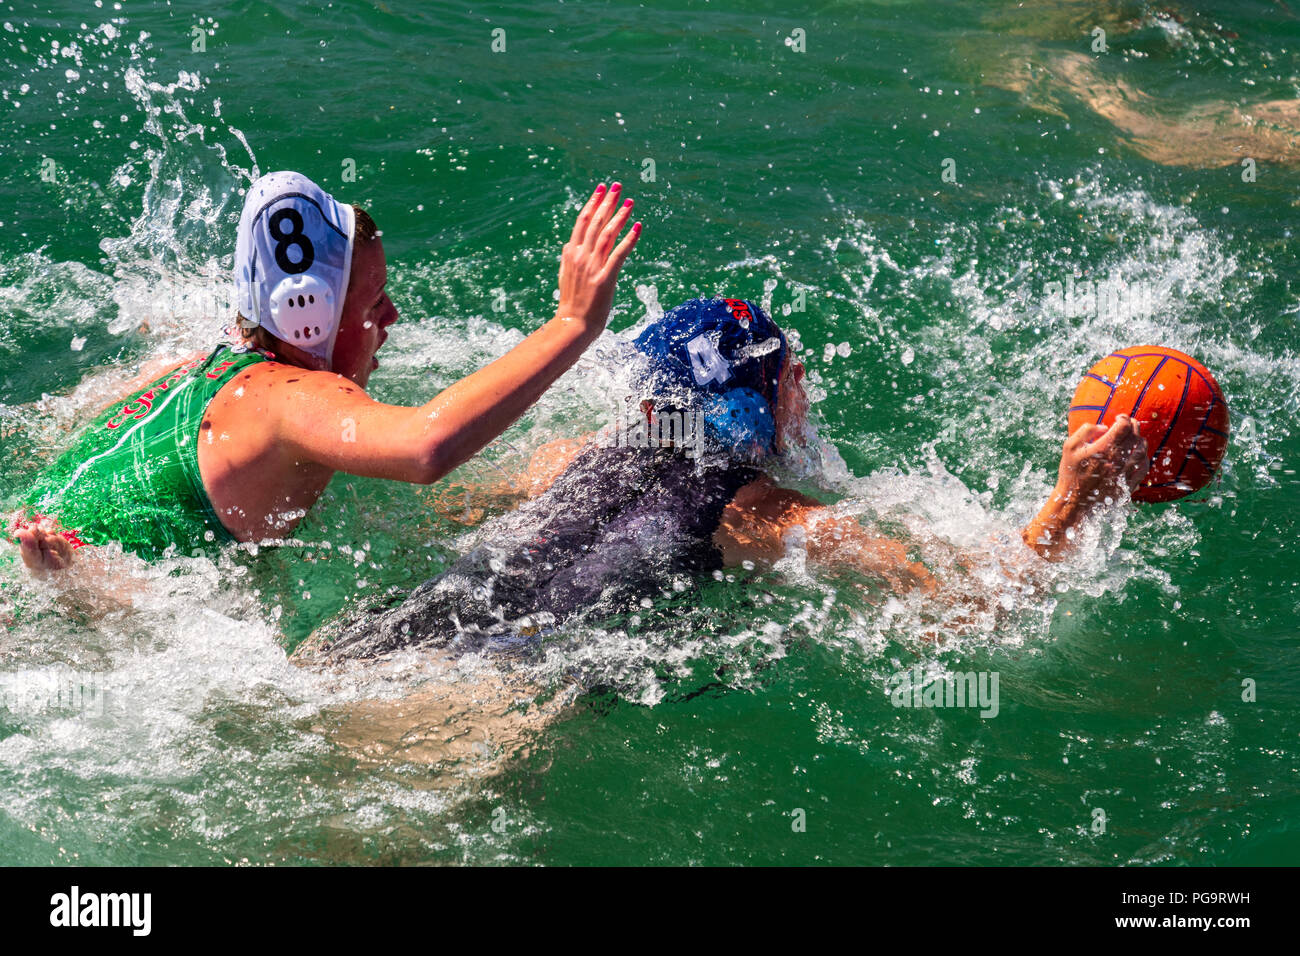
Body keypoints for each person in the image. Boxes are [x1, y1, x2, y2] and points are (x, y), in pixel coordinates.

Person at [301, 296, 1149, 662]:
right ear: (769, 407)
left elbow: (430, 515)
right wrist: (1074, 502)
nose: (806, 395)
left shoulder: (563, 459)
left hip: (372, 637)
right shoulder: (764, 516)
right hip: (485, 693)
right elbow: (974, 617)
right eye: (794, 381)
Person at [12, 172, 641, 571]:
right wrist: (572, 324)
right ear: (306, 318)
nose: (392, 315)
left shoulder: (210, 360)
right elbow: (425, 448)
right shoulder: (293, 398)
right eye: (371, 304)